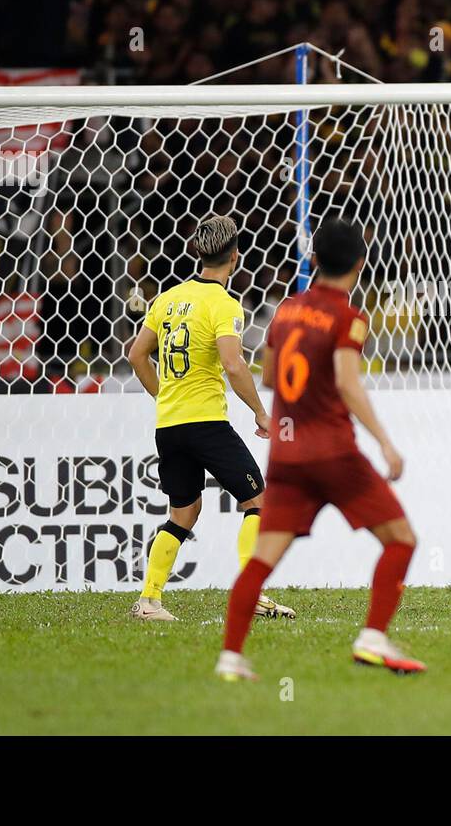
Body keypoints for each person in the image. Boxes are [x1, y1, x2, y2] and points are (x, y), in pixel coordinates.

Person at [217, 219, 424, 681]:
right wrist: (386, 444)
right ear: (359, 264)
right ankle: (372, 638)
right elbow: (348, 383)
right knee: (401, 540)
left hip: (288, 456)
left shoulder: (286, 311)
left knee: (262, 560)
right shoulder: (349, 318)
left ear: (313, 261)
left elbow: (270, 378)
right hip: (334, 453)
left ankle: (231, 657)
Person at [126, 215, 294, 622]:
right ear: (235, 256)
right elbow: (234, 365)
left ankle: (149, 601)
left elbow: (135, 355)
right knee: (259, 500)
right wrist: (259, 411)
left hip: (169, 426)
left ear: (198, 253)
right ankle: (251, 595)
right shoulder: (224, 304)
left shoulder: (166, 299)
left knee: (183, 513)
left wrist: (164, 395)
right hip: (206, 424)